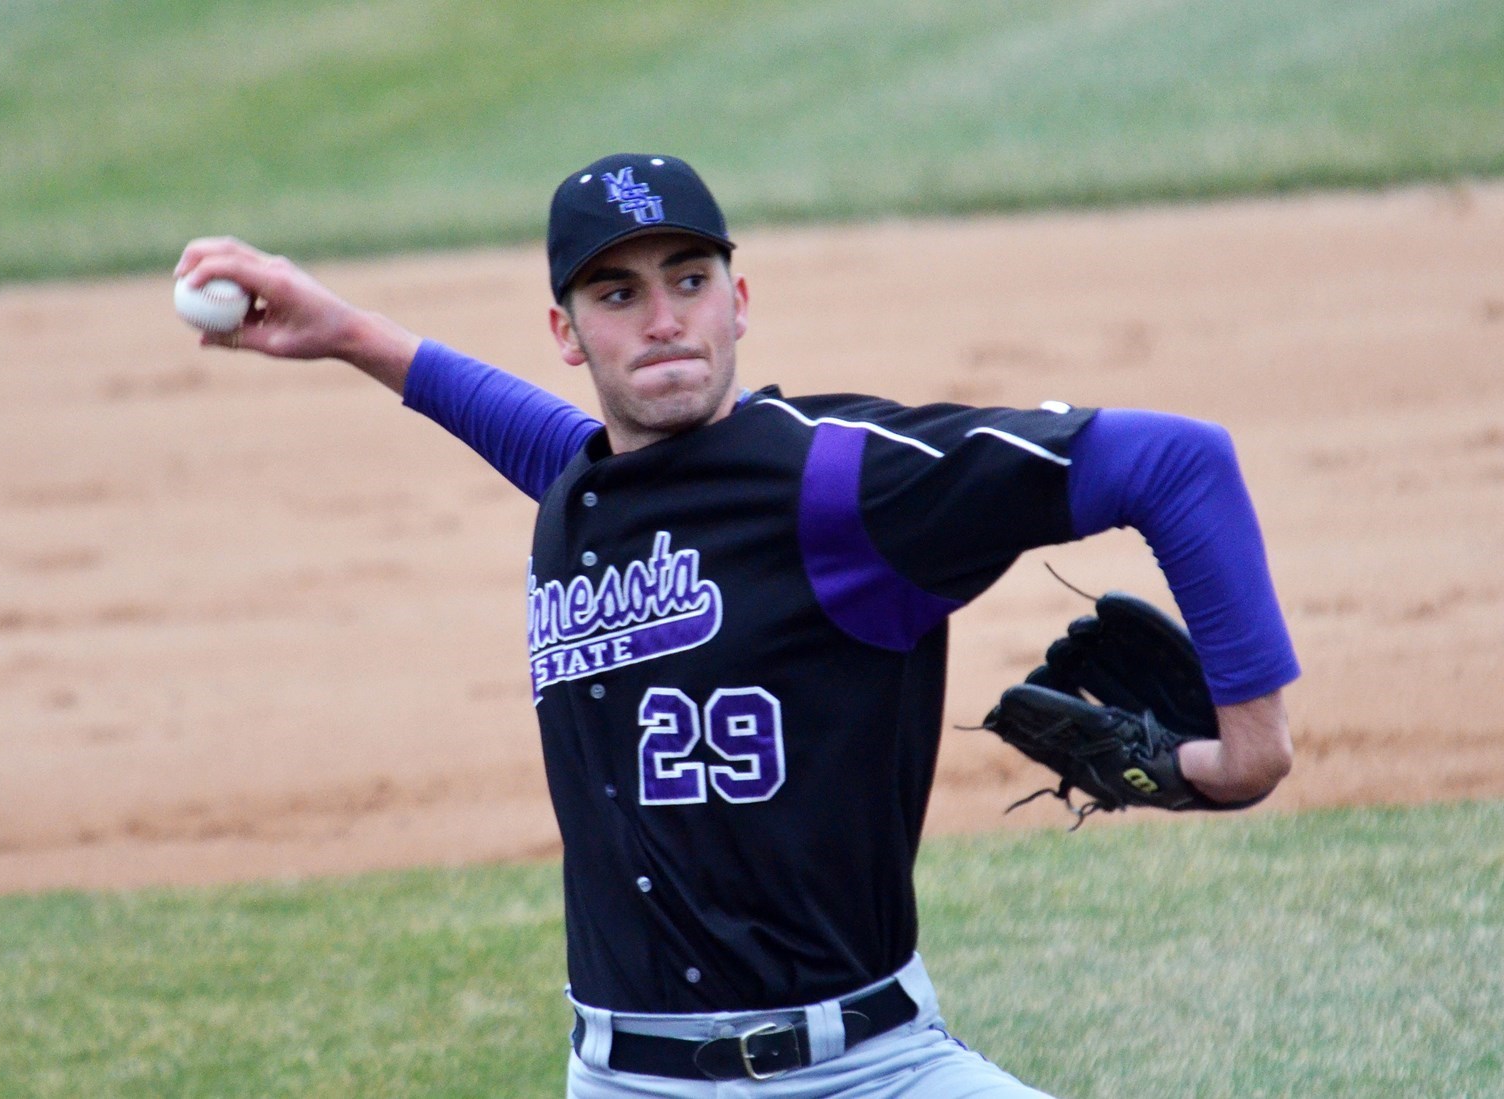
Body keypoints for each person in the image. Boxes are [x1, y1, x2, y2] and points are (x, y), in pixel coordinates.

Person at [175, 153, 1297, 1097]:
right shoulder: (587, 491)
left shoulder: (842, 486)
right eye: (616, 294)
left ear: (739, 300)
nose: (663, 320)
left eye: (689, 279)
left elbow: (1178, 462)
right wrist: (348, 332)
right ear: (567, 333)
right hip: (622, 1080)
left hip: (868, 1072)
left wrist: (1247, 753)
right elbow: (543, 441)